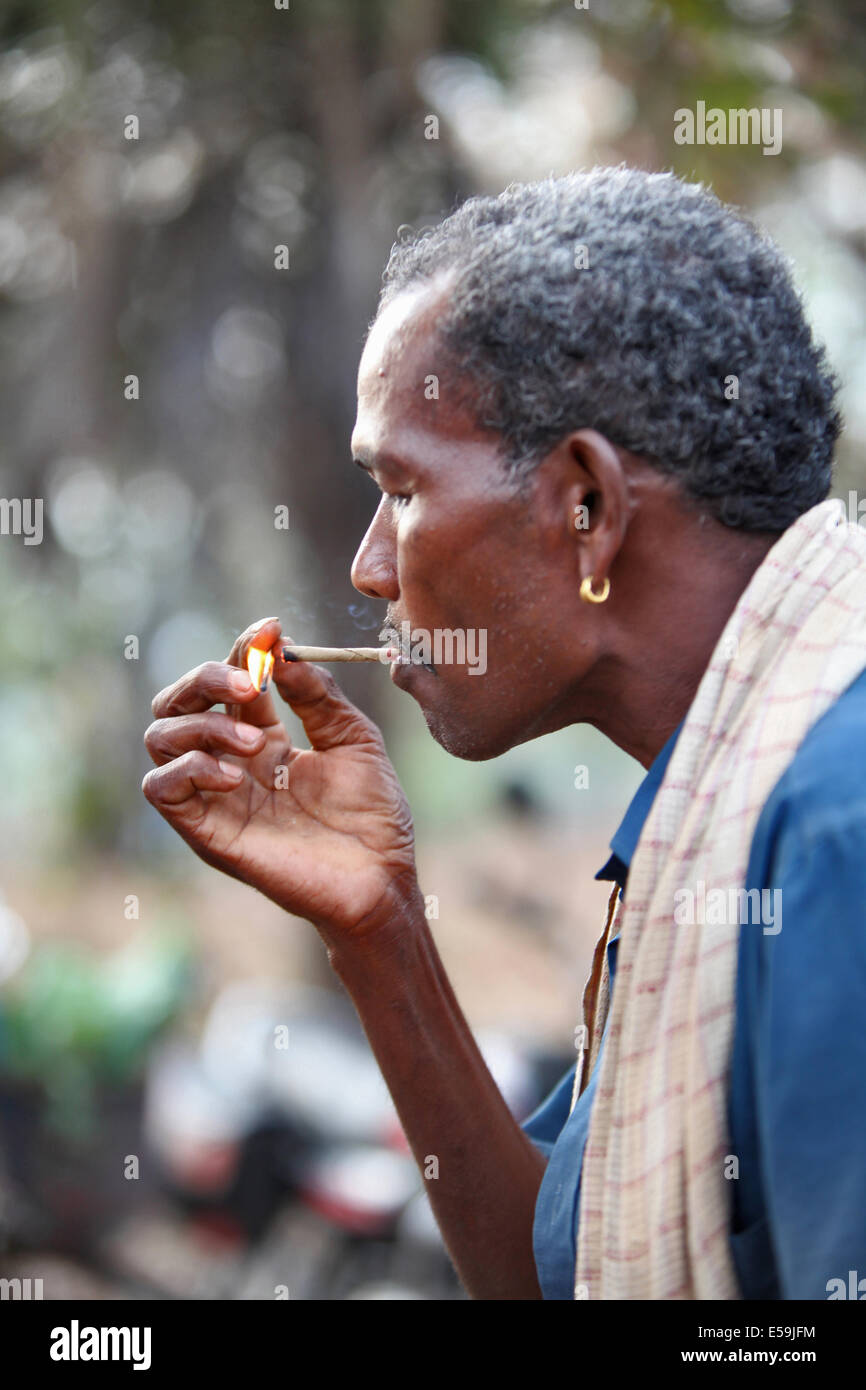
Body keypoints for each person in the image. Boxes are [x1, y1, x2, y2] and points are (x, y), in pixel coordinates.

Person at [142, 167, 866, 1300]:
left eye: (403, 489)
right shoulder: (712, 811)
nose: (368, 565)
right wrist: (378, 928)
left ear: (585, 507)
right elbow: (558, 1276)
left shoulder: (834, 828)